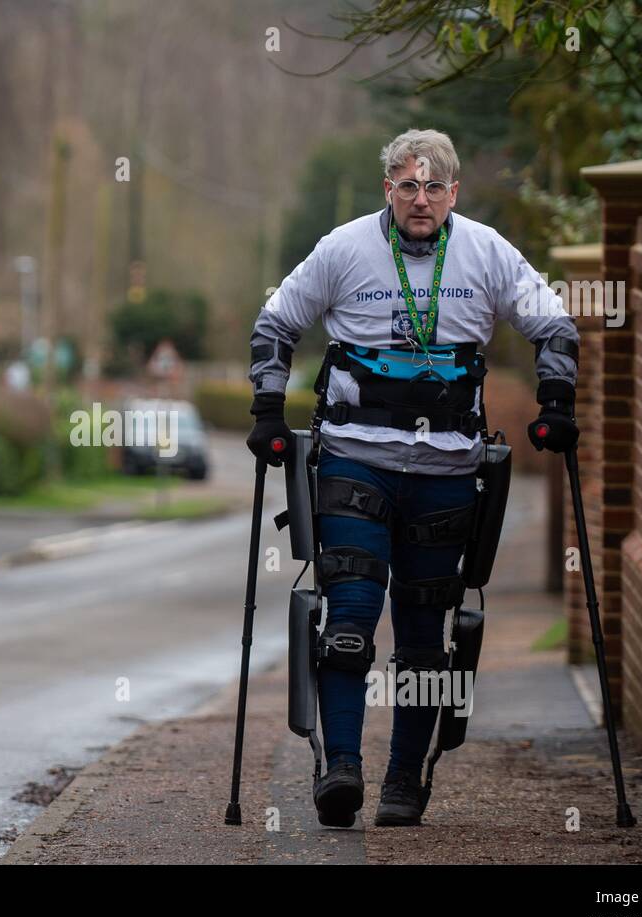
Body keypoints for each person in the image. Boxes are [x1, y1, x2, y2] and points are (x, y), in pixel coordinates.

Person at [245, 129, 579, 827]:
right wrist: (267, 410)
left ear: (453, 192)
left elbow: (555, 326)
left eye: (433, 187)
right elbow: (276, 324)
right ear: (387, 190)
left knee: (425, 637)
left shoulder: (486, 251)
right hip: (354, 463)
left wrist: (555, 403)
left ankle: (404, 781)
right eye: (406, 185)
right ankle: (340, 768)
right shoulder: (344, 249)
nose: (419, 199)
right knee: (351, 623)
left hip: (447, 473)